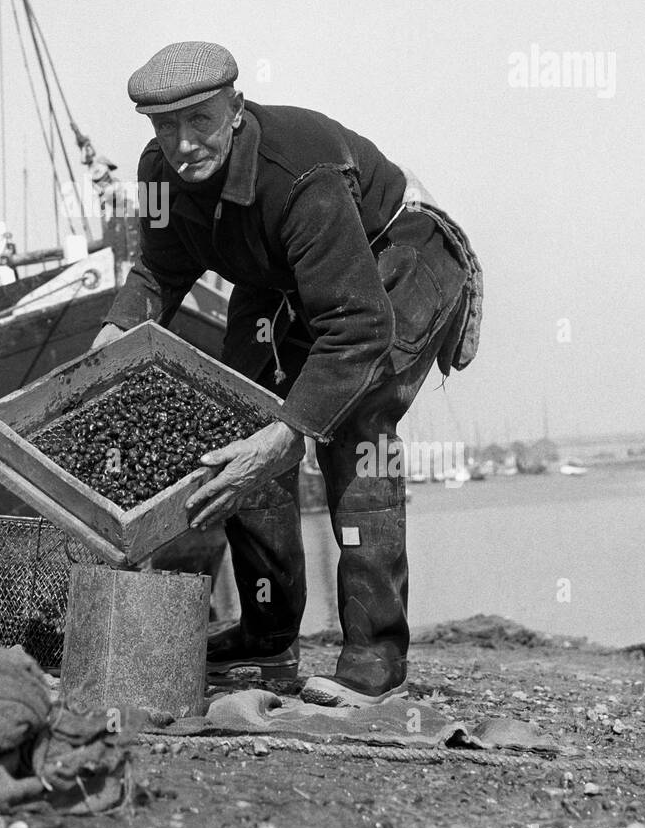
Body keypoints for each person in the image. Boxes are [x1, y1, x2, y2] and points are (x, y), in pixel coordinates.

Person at [91, 41, 482, 706]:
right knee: (240, 419)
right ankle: (269, 641)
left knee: (357, 428)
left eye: (200, 121)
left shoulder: (303, 177)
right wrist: (112, 338)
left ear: (235, 109)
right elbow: (159, 270)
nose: (182, 143)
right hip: (279, 277)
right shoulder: (158, 171)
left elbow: (358, 328)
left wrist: (291, 430)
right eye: (165, 125)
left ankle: (375, 658)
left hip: (397, 253)